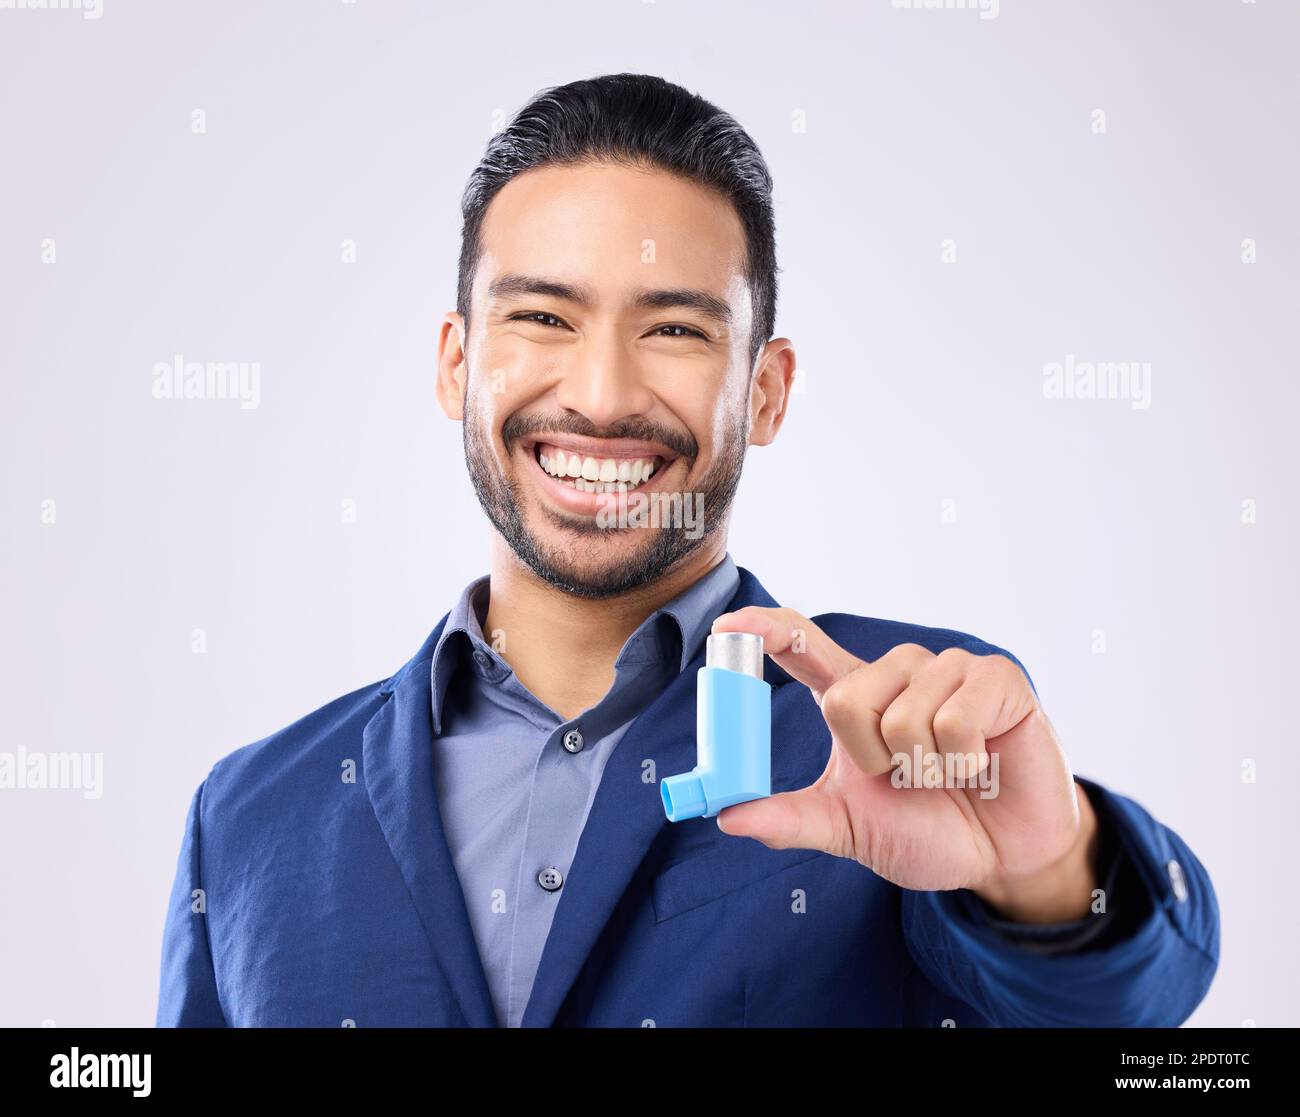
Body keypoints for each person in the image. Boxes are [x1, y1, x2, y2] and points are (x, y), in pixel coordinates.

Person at [157, 73, 1218, 1027]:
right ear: (455, 363)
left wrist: (1046, 873)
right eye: (541, 316)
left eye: (673, 330)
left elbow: (1111, 1012)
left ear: (765, 390)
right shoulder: (251, 816)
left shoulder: (900, 731)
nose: (604, 395)